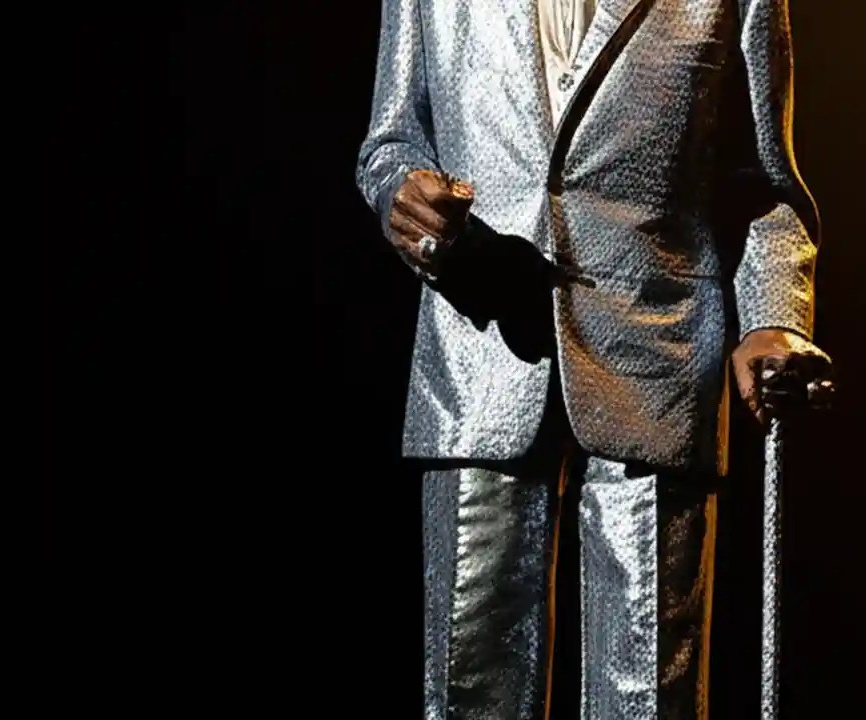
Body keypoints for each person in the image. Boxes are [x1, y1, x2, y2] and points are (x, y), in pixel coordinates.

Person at [355, 1, 833, 717]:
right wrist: (402, 196)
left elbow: (763, 182)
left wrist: (772, 320)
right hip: (479, 355)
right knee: (468, 691)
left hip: (656, 361)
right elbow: (389, 142)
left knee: (651, 697)